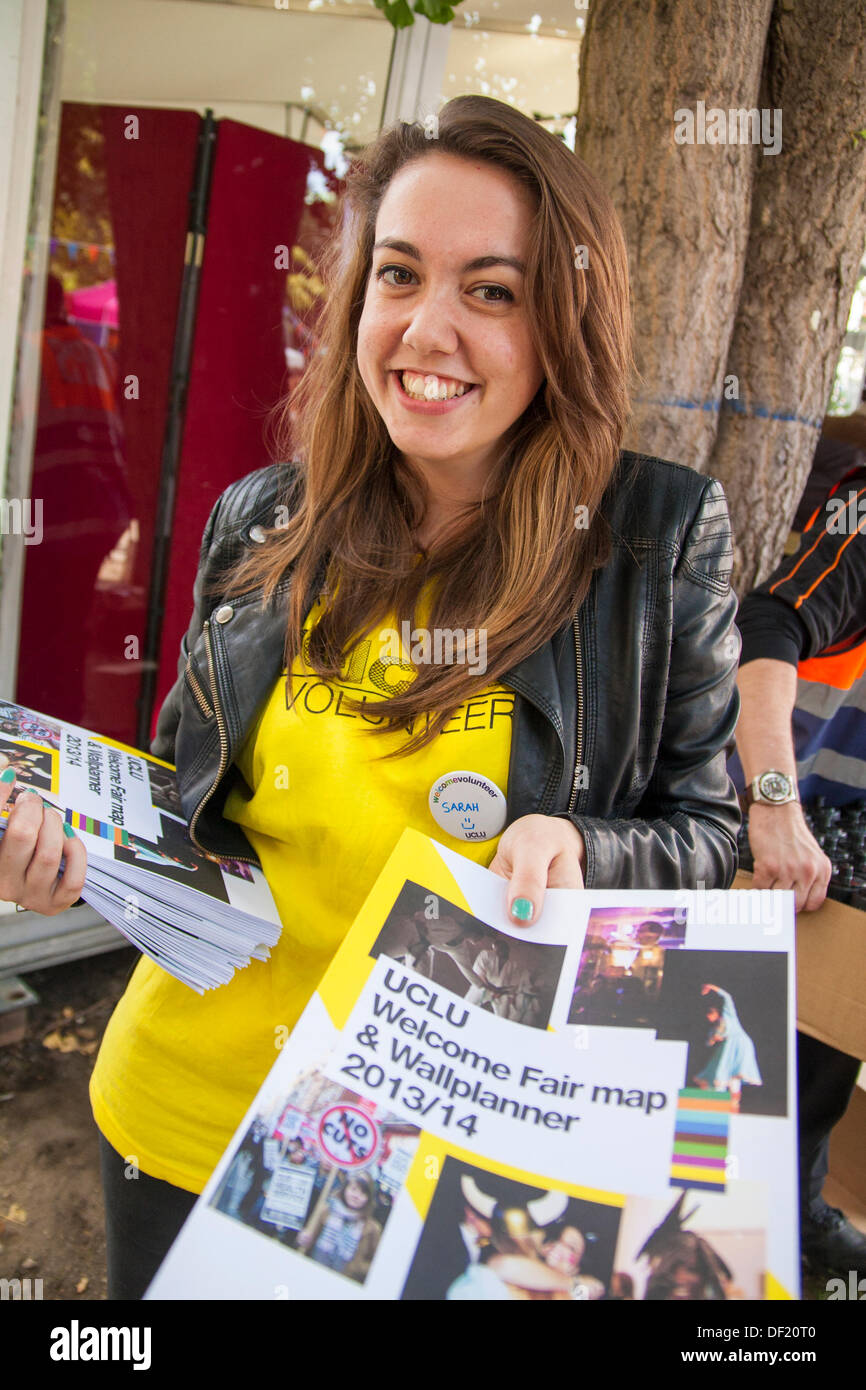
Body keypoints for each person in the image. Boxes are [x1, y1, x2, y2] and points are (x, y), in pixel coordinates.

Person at [0, 95, 740, 1299]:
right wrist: (67, 846)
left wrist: (580, 847)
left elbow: (709, 837)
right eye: (398, 274)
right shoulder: (263, 516)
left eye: (490, 290)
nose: (426, 329)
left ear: (561, 323)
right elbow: (191, 799)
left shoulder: (651, 537)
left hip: (460, 1158)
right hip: (184, 1115)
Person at [734, 462, 866, 1273]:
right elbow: (770, 622)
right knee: (771, 1073)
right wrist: (775, 803)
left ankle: (797, 1219)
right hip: (807, 822)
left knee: (819, 1071)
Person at [692, 982, 762, 1112]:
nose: (709, 1018)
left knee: (734, 1073)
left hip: (739, 1044)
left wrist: (711, 987)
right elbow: (708, 1043)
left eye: (710, 1015)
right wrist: (714, 1039)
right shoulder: (713, 1029)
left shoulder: (729, 1015)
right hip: (727, 1048)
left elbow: (727, 997)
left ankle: (733, 1103)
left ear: (715, 1013)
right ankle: (720, 1102)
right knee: (722, 1072)